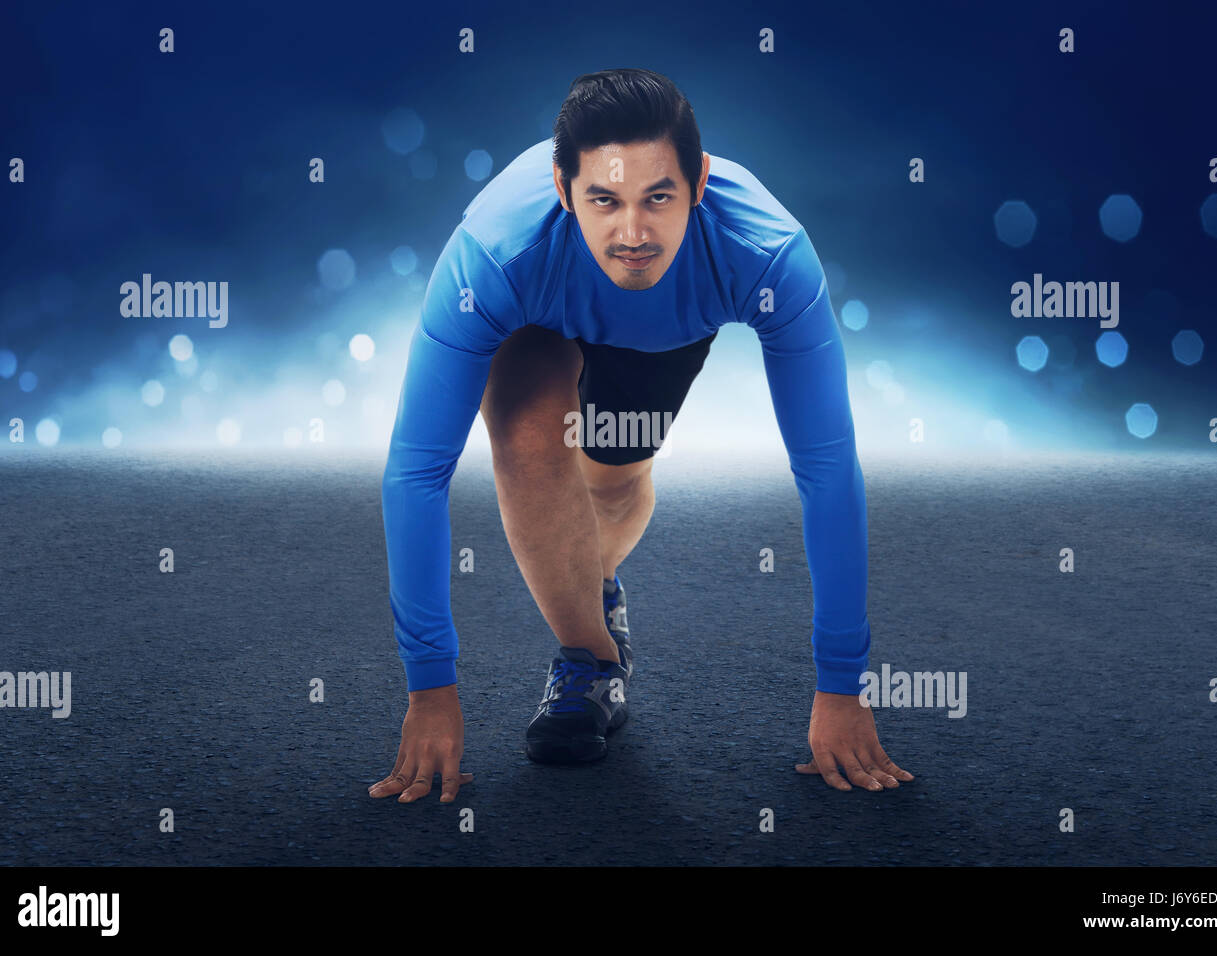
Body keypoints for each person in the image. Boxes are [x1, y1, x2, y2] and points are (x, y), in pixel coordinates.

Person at [369, 68, 912, 804]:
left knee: (613, 483)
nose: (632, 234)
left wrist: (842, 688)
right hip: (539, 309)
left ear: (699, 183)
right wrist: (430, 689)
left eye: (658, 198)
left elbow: (826, 466)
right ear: (564, 191)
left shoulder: (766, 255)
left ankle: (597, 585)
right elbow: (415, 472)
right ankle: (592, 661)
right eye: (604, 201)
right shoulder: (494, 255)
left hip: (663, 330)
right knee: (532, 444)